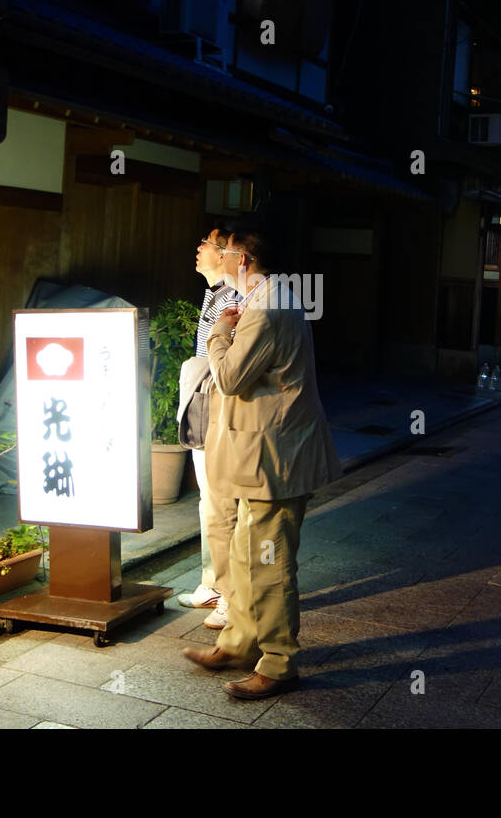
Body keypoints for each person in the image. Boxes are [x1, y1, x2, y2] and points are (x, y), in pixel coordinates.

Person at [182, 224, 340, 700]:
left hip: (276, 459)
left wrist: (220, 332)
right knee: (250, 555)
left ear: (244, 260)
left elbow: (229, 378)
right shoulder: (270, 298)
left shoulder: (266, 310)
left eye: (225, 251)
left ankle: (277, 662)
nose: (219, 257)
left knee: (269, 562)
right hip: (264, 456)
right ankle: (239, 643)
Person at [175, 228, 241, 631]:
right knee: (211, 501)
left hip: (217, 403)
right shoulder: (217, 292)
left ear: (225, 254)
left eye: (206, 242)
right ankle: (213, 583)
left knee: (220, 502)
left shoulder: (233, 298)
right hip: (205, 399)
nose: (197, 247)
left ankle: (229, 595)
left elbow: (227, 361)